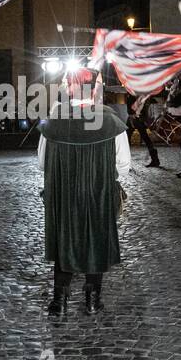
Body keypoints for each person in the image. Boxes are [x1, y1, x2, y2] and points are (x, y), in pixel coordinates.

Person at [39, 68, 130, 316]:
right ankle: (92, 300)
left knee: (65, 238)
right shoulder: (110, 120)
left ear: (69, 89)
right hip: (98, 191)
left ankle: (59, 301)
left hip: (65, 192)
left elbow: (42, 163)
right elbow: (124, 164)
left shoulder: (53, 119)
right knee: (96, 240)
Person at [126, 91, 162, 168]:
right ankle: (155, 160)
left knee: (128, 138)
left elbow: (131, 108)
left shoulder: (134, 94)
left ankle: (126, 161)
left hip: (135, 118)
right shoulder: (142, 95)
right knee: (145, 139)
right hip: (137, 118)